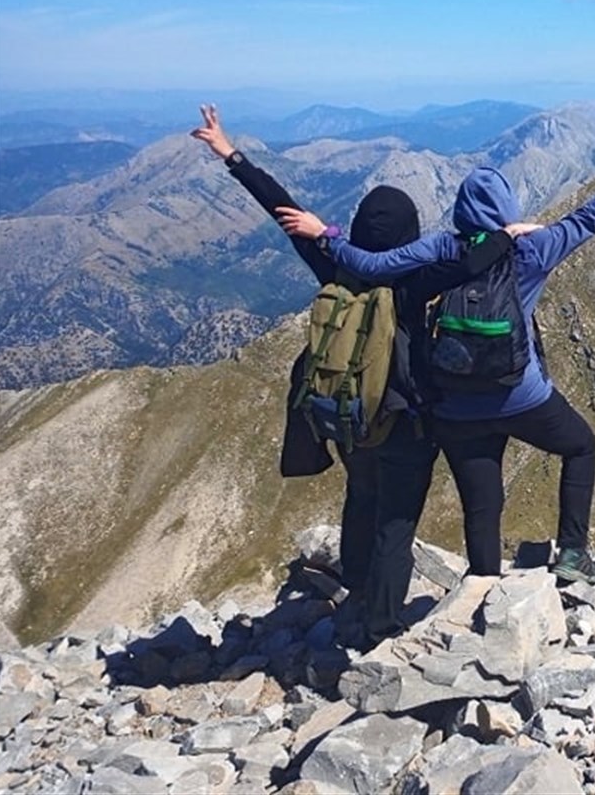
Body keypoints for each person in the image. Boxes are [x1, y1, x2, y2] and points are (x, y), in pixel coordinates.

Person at [276, 132, 595, 584]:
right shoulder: (535, 249)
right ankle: (571, 552)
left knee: (482, 504)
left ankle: (483, 588)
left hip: (455, 408)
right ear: (507, 211)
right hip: (522, 397)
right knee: (581, 445)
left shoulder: (441, 249)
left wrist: (326, 237)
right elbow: (593, 215)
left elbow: (373, 266)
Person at [190, 104, 524, 648]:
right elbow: (475, 259)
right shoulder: (415, 278)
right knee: (397, 522)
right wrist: (508, 232)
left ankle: (358, 589)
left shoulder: (335, 264)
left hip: (348, 419)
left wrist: (230, 154)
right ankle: (381, 628)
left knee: (360, 496)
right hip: (406, 423)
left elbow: (282, 208)